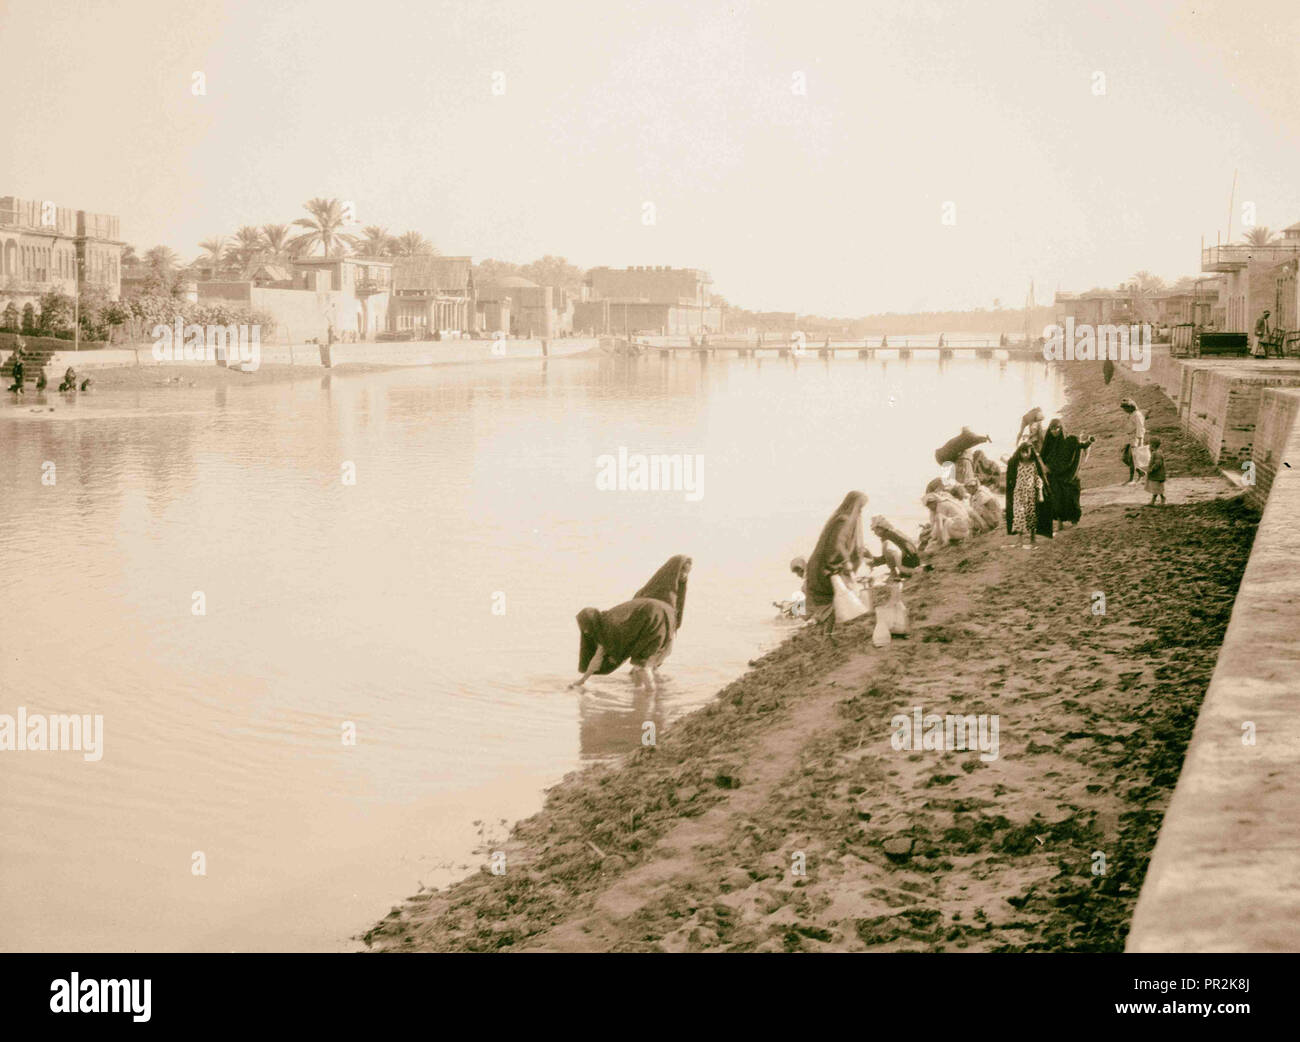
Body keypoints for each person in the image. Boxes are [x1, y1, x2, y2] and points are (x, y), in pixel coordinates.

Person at [570, 598, 676, 691]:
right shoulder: (606, 619)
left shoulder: (606, 629)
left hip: (652, 616)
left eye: (585, 627)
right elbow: (600, 657)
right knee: (645, 662)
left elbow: (598, 659)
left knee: (641, 665)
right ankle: (641, 695)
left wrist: (582, 680)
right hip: (665, 612)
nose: (586, 632)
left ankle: (649, 695)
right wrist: (583, 680)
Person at [803, 491, 869, 632]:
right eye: (860, 508)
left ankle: (828, 631)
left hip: (825, 565)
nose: (860, 512)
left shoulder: (841, 518)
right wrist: (846, 562)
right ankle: (827, 632)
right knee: (835, 598)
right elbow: (837, 543)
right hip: (826, 567)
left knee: (836, 600)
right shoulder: (844, 520)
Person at [1039, 419, 1095, 530]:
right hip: (1054, 475)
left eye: (1057, 428)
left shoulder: (1070, 440)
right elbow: (1042, 457)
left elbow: (1081, 445)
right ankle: (1060, 524)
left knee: (1072, 497)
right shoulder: (1048, 443)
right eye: (1052, 429)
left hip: (1069, 475)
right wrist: (1045, 467)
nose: (1054, 431)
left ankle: (1074, 522)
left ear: (1061, 428)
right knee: (1056, 500)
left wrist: (1089, 441)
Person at [1005, 441, 1054, 548]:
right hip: (1018, 493)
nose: (1025, 455)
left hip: (1031, 493)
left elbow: (1038, 478)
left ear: (1031, 452)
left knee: (1031, 515)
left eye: (1027, 452)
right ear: (1020, 453)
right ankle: (1020, 540)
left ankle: (1032, 538)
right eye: (1023, 452)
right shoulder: (1016, 463)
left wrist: (1040, 492)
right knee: (1019, 515)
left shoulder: (1034, 464)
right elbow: (1011, 477)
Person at [634, 555, 691, 632]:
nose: (684, 575)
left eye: (687, 572)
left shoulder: (675, 594)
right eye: (682, 570)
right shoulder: (663, 592)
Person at [1120, 398, 1146, 484]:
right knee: (1124, 458)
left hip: (1135, 439)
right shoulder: (1131, 414)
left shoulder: (1137, 415)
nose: (1124, 410)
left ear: (1131, 407)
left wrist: (1139, 439)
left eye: (1125, 408)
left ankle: (1131, 479)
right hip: (1129, 438)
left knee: (1132, 459)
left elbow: (1140, 427)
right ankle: (1140, 472)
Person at [1146, 437, 1167, 505]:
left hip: (1157, 474)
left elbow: (1158, 463)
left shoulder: (1156, 453)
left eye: (1150, 445)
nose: (1149, 446)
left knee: (1156, 487)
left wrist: (1152, 469)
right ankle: (1161, 498)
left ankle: (1154, 500)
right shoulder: (1157, 452)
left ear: (1153, 445)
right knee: (1158, 488)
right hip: (1157, 474)